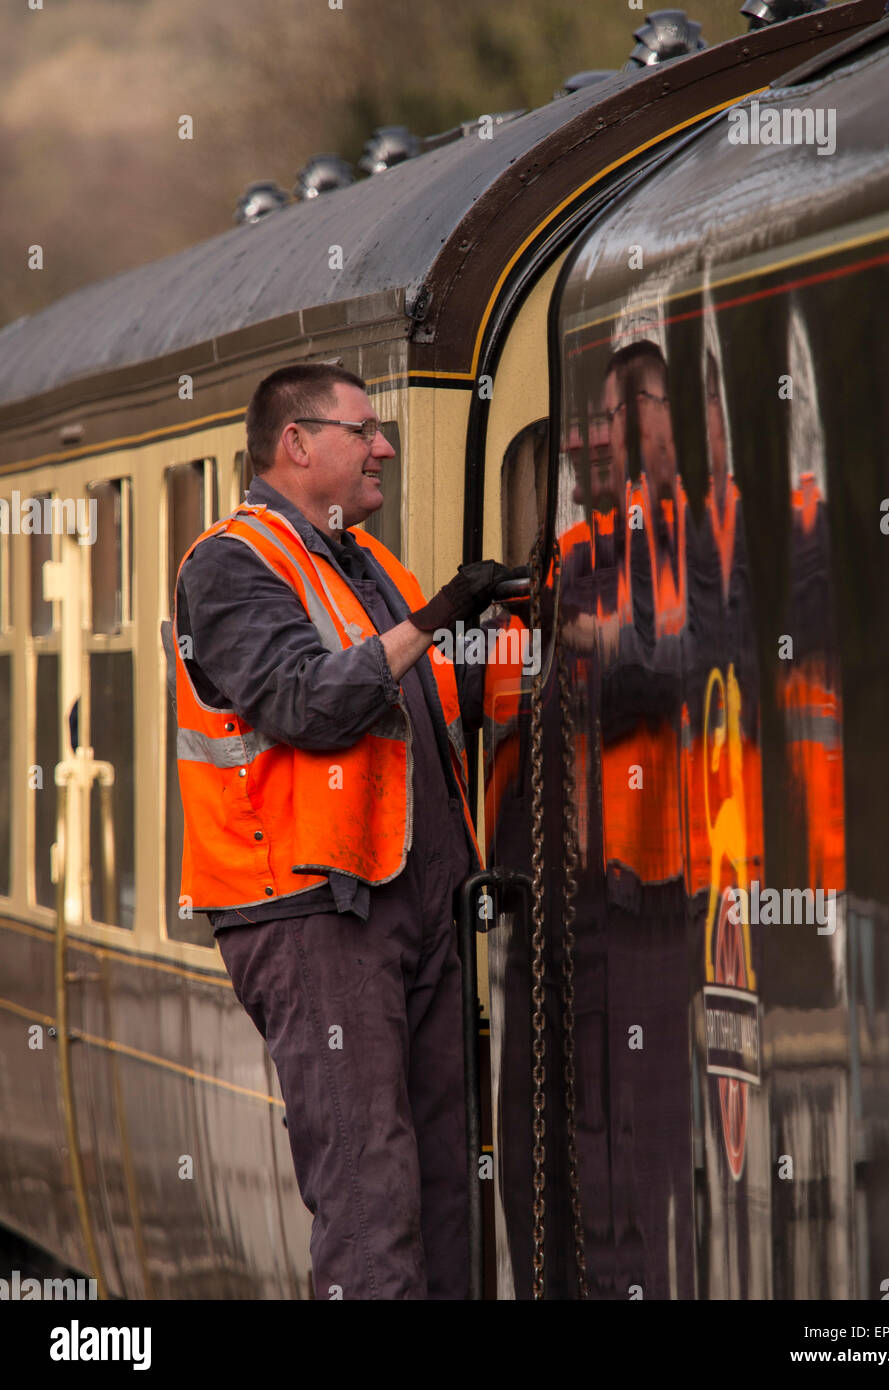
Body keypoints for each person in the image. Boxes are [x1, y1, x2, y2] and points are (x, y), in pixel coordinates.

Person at [167, 361, 512, 1300]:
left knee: (445, 1177)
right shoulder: (230, 565)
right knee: (370, 1189)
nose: (384, 448)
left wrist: (564, 629)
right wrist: (439, 615)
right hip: (313, 910)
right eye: (365, 431)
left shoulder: (364, 563)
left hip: (415, 903)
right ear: (297, 444)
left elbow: (444, 696)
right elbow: (304, 704)